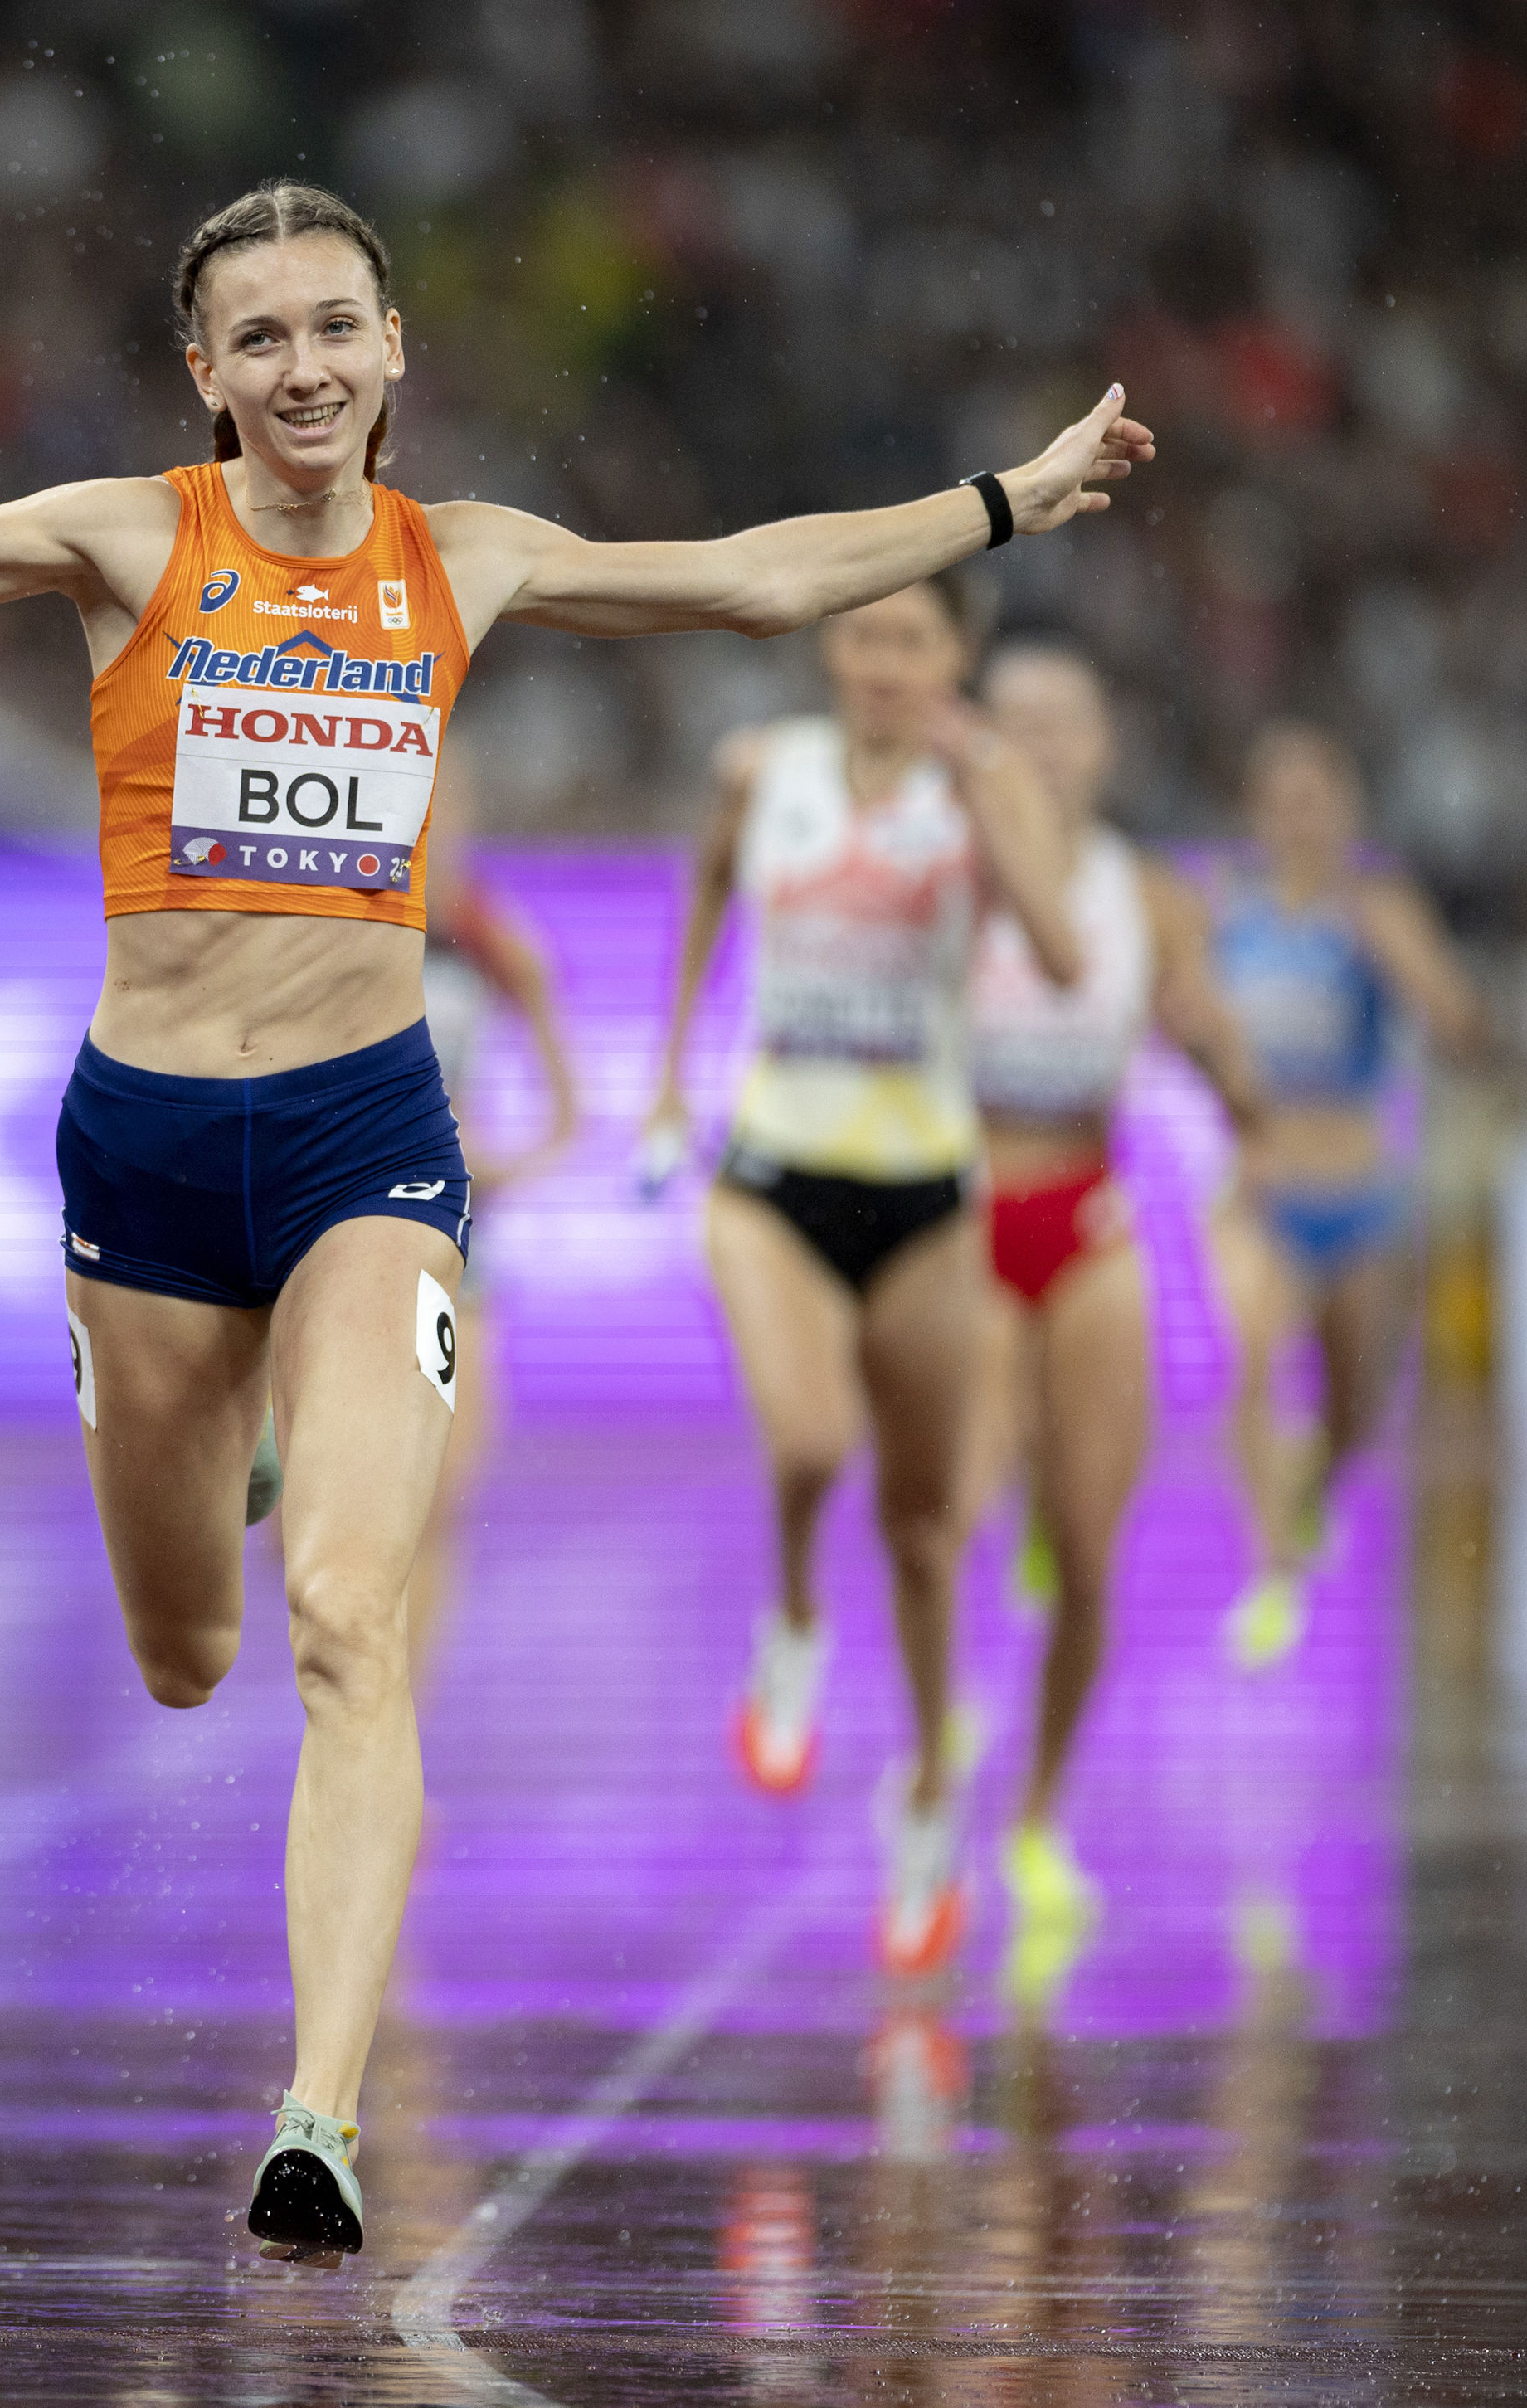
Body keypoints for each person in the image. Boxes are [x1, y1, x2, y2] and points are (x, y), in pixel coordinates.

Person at [0, 176, 1150, 2258]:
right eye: (260, 338)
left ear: (394, 354)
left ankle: (320, 2106)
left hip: (362, 1141)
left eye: (336, 328)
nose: (304, 368)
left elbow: (757, 581)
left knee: (342, 1617)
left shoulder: (460, 563)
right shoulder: (124, 537)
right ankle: (162, 1411)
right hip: (139, 1156)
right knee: (185, 1649)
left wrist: (1004, 500)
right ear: (201, 374)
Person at [642, 576, 1084, 1977]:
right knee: (808, 1436)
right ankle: (787, 1617)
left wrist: (985, 797)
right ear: (830, 646)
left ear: (955, 656)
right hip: (771, 1167)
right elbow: (708, 882)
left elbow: (1064, 959)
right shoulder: (758, 768)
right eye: (864, 636)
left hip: (923, 1193)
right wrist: (665, 1074)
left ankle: (928, 1795)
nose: (885, 662)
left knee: (923, 1530)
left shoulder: (979, 780)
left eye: (914, 640)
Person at [950, 643, 1262, 1996]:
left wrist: (1239, 1088)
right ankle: (931, 1749)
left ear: (1102, 745)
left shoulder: (1145, 891)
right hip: (959, 1210)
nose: (1039, 743)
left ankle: (1033, 1821)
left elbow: (1212, 1045)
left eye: (1062, 720)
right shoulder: (947, 868)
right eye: (1011, 721)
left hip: (1086, 1215)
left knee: (1088, 1549)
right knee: (952, 1500)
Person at [1206, 723, 1481, 1669]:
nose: (1298, 818)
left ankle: (1316, 1484)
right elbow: (1193, 1033)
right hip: (1264, 1193)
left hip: (1359, 1198)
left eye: (1314, 798)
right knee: (1244, 1360)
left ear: (1345, 809)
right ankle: (1270, 1568)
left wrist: (1398, 959)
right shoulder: (1225, 915)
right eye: (1280, 800)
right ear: (1254, 813)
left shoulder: (1377, 908)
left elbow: (1457, 1024)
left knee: (1353, 1407)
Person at [401, 752, 580, 1686]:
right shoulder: (332, 923)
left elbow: (568, 1112)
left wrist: (500, 1168)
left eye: (452, 800)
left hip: (456, 1244)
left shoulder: (491, 938)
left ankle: (394, 1733)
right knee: (303, 1519)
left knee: (439, 1499)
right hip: (325, 1232)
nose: (437, 822)